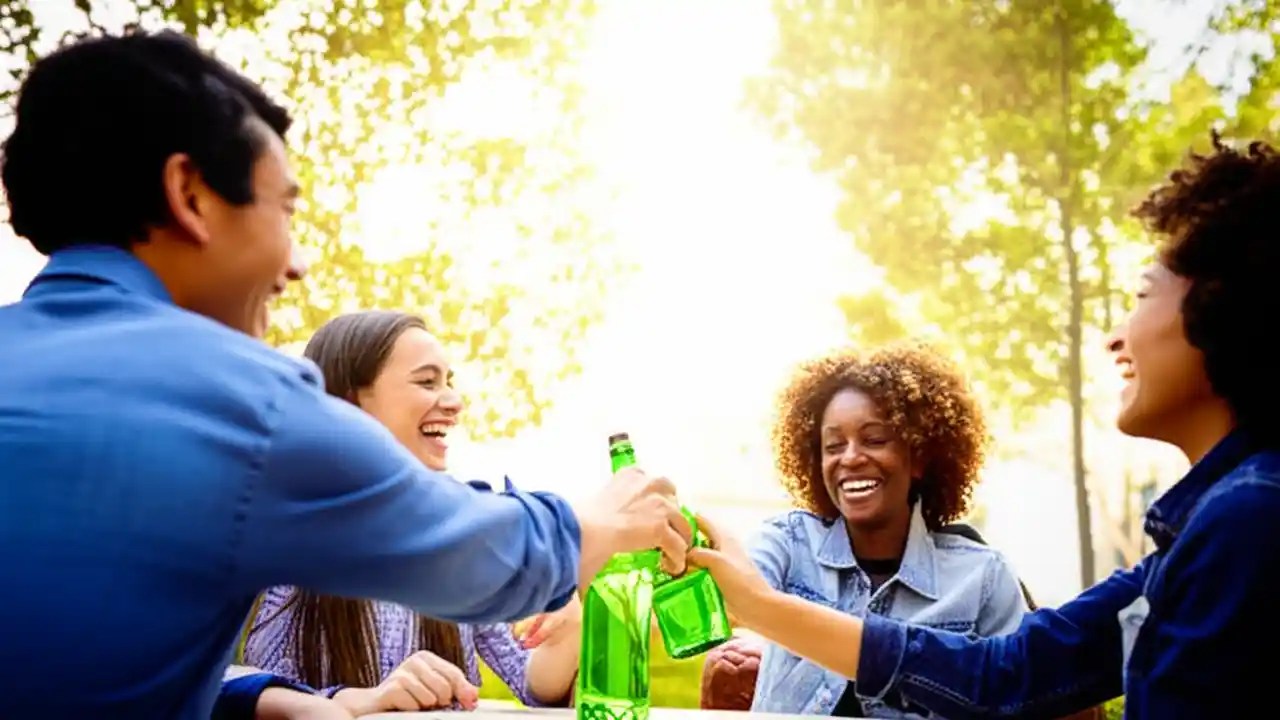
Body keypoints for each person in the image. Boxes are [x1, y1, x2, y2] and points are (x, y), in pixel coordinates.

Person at [0, 30, 690, 719]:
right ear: (190, 195)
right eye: (284, 209)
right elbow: (475, 555)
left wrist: (267, 700)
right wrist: (598, 523)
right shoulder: (247, 407)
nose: (296, 265)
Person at [688, 133, 1280, 720]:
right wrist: (757, 604)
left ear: (1223, 305)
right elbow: (1006, 675)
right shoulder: (1206, 533)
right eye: (833, 444)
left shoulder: (1248, 519)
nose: (1115, 337)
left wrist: (762, 607)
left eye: (1144, 295)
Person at [243, 311, 581, 714]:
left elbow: (531, 684)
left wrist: (566, 630)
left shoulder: (458, 536)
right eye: (427, 382)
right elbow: (249, 697)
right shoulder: (281, 536)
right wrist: (368, 699)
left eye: (449, 382)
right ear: (349, 405)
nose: (454, 402)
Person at [704, 343, 1030, 718]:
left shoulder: (983, 578)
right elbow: (728, 595)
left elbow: (1025, 693)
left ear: (919, 457)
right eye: (833, 446)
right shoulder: (789, 543)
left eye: (874, 440)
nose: (850, 457)